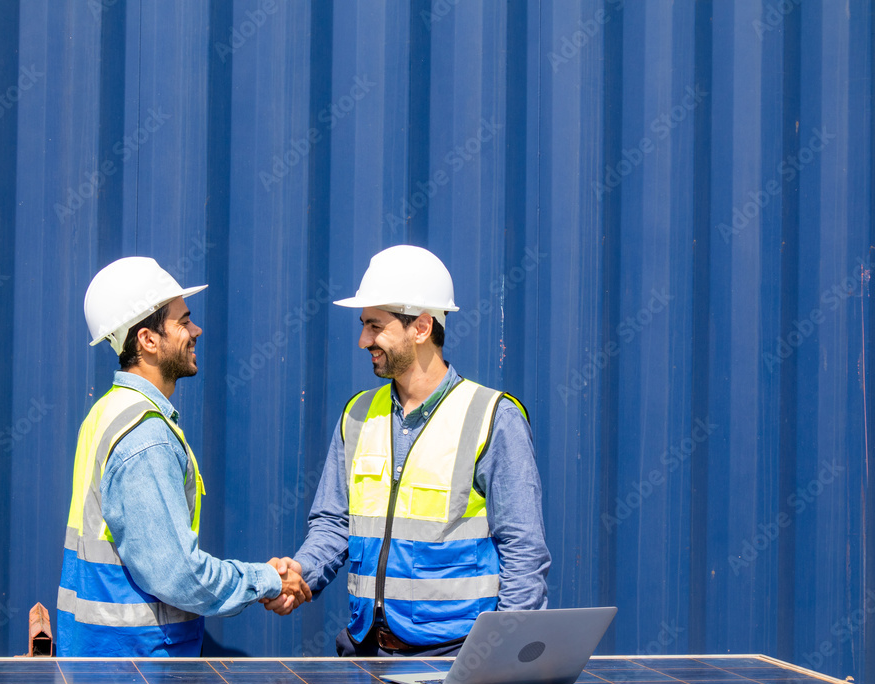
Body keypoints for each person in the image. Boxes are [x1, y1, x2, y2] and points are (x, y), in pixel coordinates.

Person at [264, 245, 551, 656]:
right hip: (365, 654)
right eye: (364, 325)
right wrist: (299, 573)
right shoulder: (358, 414)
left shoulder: (493, 417)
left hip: (456, 658)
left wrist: (502, 660)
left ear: (420, 327)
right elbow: (333, 523)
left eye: (375, 326)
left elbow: (524, 553)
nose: (364, 340)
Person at [58, 256, 310, 657]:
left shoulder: (108, 411)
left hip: (101, 660)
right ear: (148, 340)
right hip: (137, 671)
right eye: (183, 321)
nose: (196, 330)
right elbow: (179, 576)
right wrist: (268, 580)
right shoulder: (147, 437)